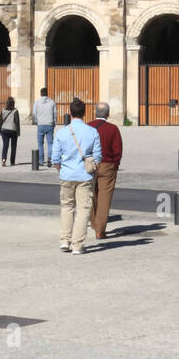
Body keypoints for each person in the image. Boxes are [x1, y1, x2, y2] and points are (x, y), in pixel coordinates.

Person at [50, 97, 101, 254]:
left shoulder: (62, 132)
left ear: (70, 113)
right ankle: (77, 245)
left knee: (67, 207)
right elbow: (98, 157)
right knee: (83, 210)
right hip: (85, 175)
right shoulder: (92, 132)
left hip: (66, 174)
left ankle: (65, 240)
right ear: (84, 113)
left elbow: (55, 158)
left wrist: (62, 170)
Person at [88, 102, 122, 239]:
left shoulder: (87, 127)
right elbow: (117, 150)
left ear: (95, 113)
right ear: (108, 114)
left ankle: (94, 223)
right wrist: (115, 165)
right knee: (104, 198)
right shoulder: (113, 129)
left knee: (91, 195)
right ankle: (99, 230)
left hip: (90, 164)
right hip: (107, 165)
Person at [33, 87, 57, 166]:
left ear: (40, 93)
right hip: (49, 124)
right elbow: (55, 114)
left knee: (40, 143)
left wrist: (36, 121)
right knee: (50, 143)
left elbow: (34, 114)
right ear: (47, 93)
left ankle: (41, 161)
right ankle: (50, 158)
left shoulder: (36, 102)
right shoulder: (52, 102)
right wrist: (54, 122)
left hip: (40, 124)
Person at [0, 96, 20, 166]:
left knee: (5, 146)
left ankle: (4, 160)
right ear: (13, 103)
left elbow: (0, 121)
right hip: (13, 130)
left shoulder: (3, 110)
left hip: (4, 130)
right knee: (13, 146)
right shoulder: (15, 111)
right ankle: (12, 162)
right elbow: (17, 122)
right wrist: (18, 132)